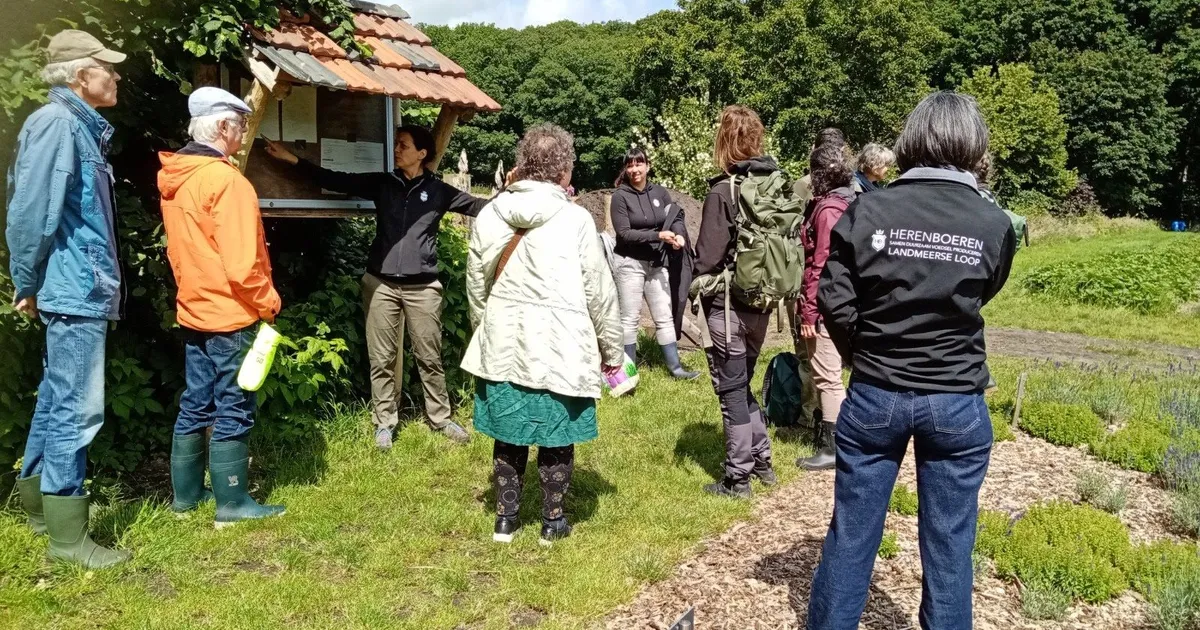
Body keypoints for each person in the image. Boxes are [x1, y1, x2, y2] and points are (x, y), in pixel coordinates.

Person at [806, 91, 1017, 629]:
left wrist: (865, 354)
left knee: (852, 535)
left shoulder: (869, 208)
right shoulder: (993, 223)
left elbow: (834, 296)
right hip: (956, 399)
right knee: (950, 549)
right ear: (974, 144)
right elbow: (979, 290)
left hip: (877, 393)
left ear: (913, 140)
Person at [265, 126, 488, 450]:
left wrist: (519, 196)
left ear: (422, 154)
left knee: (429, 356)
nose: (396, 150)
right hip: (380, 285)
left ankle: (440, 418)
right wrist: (292, 160)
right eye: (397, 144)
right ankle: (384, 423)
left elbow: (481, 206)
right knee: (382, 357)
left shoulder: (439, 191)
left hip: (423, 288)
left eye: (403, 145)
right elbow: (334, 179)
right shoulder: (383, 184)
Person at [461, 124, 623, 546]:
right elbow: (599, 291)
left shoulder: (492, 212)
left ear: (524, 164)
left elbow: (476, 282)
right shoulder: (576, 220)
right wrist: (612, 350)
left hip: (504, 341)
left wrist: (486, 327)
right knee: (556, 434)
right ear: (564, 170)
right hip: (561, 346)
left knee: (509, 432)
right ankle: (553, 522)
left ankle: (506, 520)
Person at [6, 30, 130, 569]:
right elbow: (31, 211)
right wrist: (27, 280)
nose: (117, 76)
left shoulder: (75, 127)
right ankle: (67, 537)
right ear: (83, 76)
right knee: (78, 408)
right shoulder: (58, 125)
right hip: (75, 288)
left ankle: (37, 510)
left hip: (76, 284)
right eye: (109, 68)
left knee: (58, 399)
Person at [158, 87, 287, 528]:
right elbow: (242, 263)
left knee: (195, 401)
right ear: (222, 126)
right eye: (241, 123)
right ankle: (231, 504)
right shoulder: (226, 181)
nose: (243, 131)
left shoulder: (179, 178)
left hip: (194, 308)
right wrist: (268, 302)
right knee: (234, 403)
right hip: (230, 312)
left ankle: (186, 497)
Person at [693, 105, 786, 499]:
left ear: (724, 141)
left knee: (730, 392)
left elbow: (708, 257)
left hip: (728, 307)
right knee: (742, 384)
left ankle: (737, 478)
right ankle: (762, 461)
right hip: (763, 304)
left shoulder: (724, 190)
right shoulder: (775, 185)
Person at [609, 147, 698, 380]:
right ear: (626, 169)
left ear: (648, 166)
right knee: (630, 318)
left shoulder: (660, 193)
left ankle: (676, 369)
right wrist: (658, 236)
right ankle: (628, 372)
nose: (635, 169)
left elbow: (675, 218)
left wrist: (678, 236)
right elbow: (624, 234)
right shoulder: (620, 196)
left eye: (639, 164)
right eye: (630, 165)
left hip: (657, 263)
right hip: (629, 262)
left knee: (664, 316)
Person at [795, 144, 856, 472]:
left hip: (826, 304)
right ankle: (831, 435)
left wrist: (810, 314)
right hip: (842, 299)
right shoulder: (848, 200)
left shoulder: (830, 209)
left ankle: (833, 447)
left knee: (827, 374)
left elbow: (820, 263)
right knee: (829, 373)